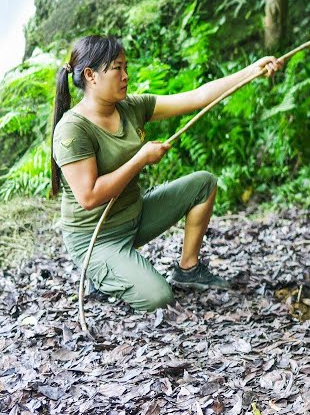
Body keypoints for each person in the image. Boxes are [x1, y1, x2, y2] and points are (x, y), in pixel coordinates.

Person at [50, 34, 281, 312]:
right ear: (90, 75)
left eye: (126, 67)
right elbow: (89, 197)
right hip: (96, 238)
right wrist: (140, 159)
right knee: (159, 298)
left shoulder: (132, 107)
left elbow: (198, 96)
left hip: (134, 216)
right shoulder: (72, 130)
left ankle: (188, 269)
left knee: (203, 184)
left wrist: (251, 71)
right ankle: (101, 275)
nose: (126, 76)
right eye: (117, 68)